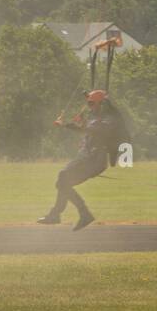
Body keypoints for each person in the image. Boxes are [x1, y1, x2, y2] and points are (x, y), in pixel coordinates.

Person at [37, 89, 122, 231]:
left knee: (63, 177)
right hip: (88, 157)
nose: (89, 106)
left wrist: (66, 125)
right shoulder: (95, 116)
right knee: (63, 182)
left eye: (91, 103)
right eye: (88, 103)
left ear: (101, 104)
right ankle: (61, 215)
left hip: (93, 159)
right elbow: (86, 129)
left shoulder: (108, 119)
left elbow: (91, 130)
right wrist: (77, 122)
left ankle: (77, 214)